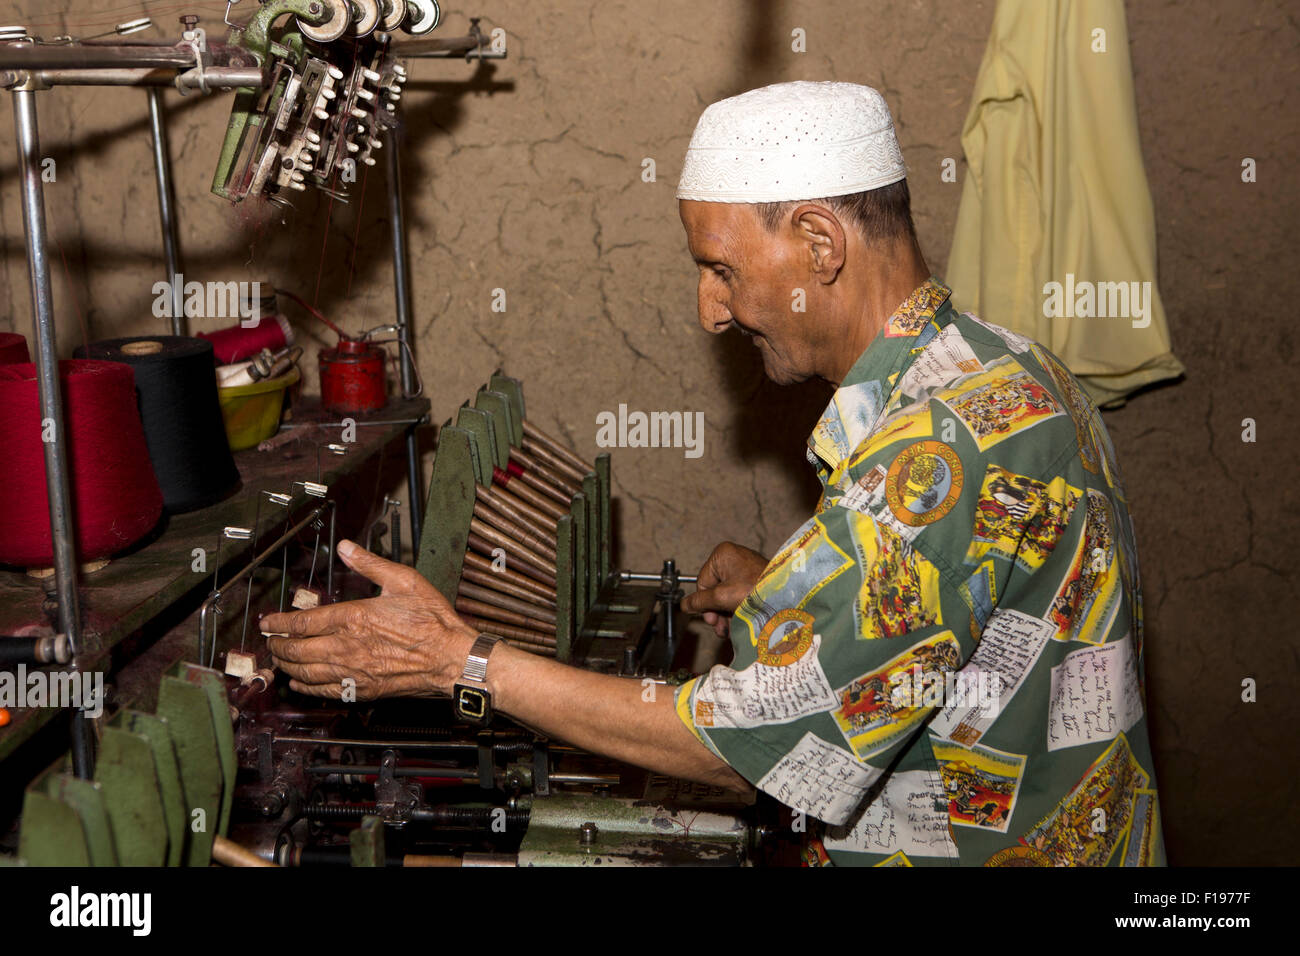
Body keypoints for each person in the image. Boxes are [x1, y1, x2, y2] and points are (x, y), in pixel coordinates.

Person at [263, 81, 1164, 867]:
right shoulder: (1006, 369)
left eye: (720, 270)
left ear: (819, 243)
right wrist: (790, 591)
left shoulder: (931, 455)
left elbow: (751, 743)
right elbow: (969, 603)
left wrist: (454, 659)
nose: (710, 311)